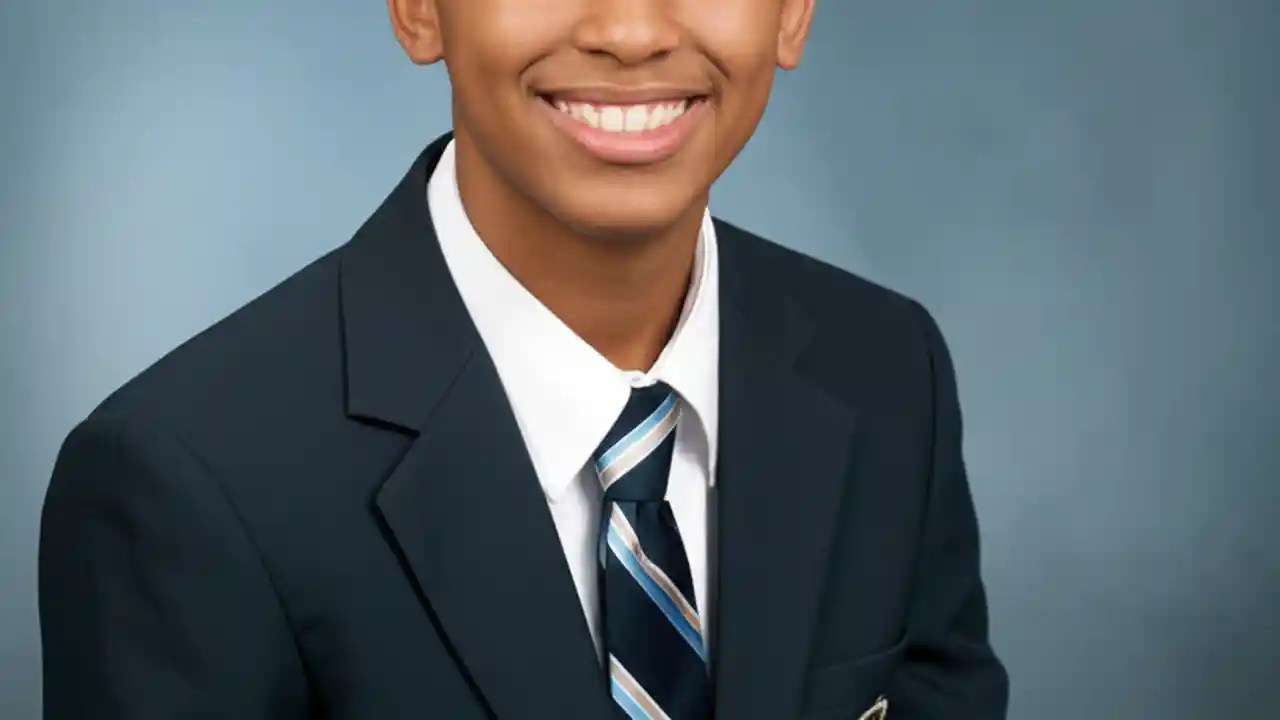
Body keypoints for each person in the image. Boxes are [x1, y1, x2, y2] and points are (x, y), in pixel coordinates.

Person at [38, 1, 1008, 718]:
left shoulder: (884, 369)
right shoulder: (184, 481)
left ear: (791, 14)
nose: (630, 32)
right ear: (420, 11)